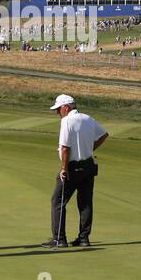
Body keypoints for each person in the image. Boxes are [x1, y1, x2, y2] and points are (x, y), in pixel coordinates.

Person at [42, 94, 108, 249]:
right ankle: (84, 238)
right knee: (85, 203)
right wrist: (89, 148)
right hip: (88, 166)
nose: (58, 113)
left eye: (59, 109)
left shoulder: (67, 121)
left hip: (72, 167)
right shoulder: (88, 118)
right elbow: (104, 135)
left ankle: (60, 239)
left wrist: (64, 169)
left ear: (66, 107)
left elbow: (65, 148)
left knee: (57, 201)